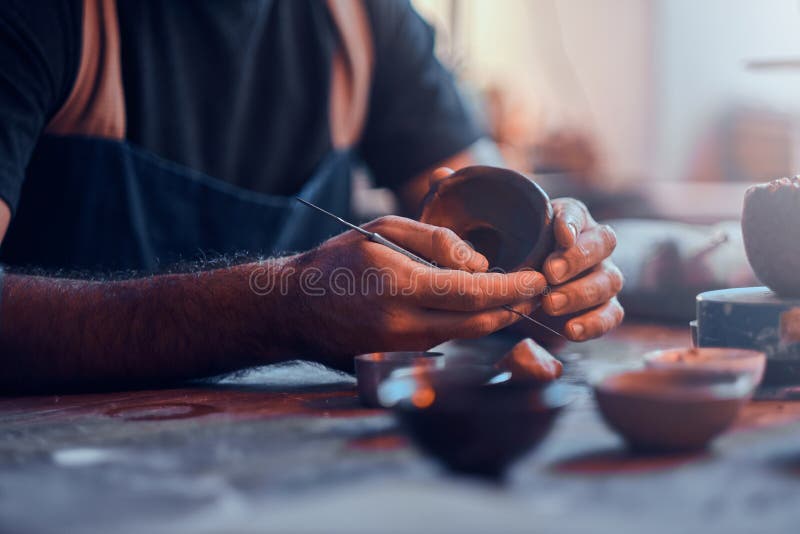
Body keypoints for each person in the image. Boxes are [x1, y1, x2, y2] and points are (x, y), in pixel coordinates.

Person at [0, 0, 623, 392]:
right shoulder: (40, 17)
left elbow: (490, 198)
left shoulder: (361, 18)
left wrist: (556, 263)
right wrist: (277, 309)